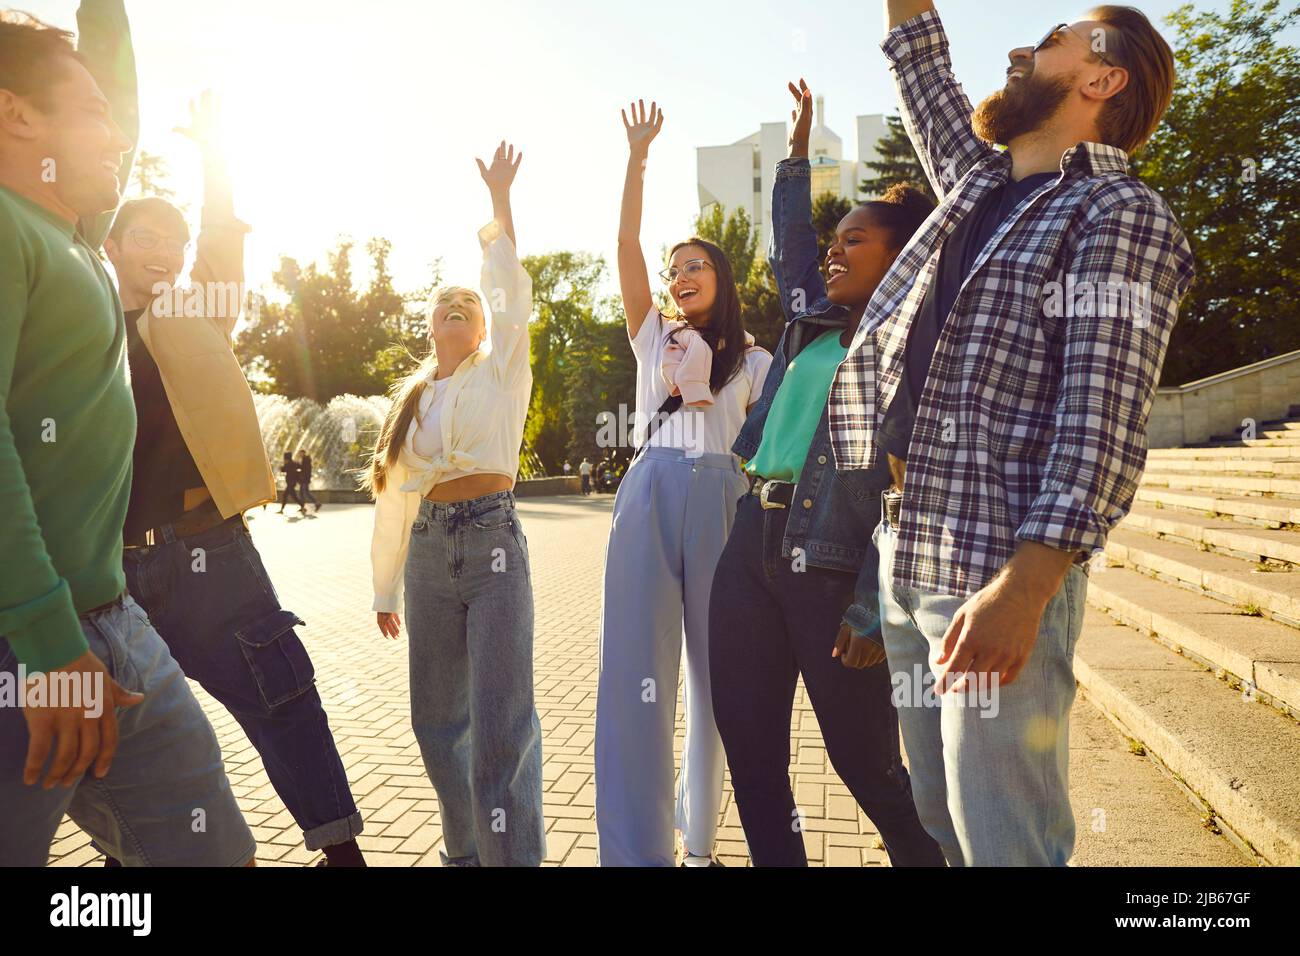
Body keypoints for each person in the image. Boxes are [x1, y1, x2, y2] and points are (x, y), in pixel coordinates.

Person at [827, 1, 1195, 866]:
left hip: (996, 567)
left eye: (1058, 40)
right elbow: (921, 65)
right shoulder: (982, 186)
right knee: (943, 823)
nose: (1027, 47)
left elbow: (1101, 422)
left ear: (1103, 80)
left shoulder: (1118, 213)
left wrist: (1026, 589)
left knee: (1006, 842)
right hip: (908, 549)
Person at [0, 1, 256, 866]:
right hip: (26, 643)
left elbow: (118, 112)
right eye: (93, 114)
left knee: (210, 853)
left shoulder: (69, 232)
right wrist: (45, 646)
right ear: (18, 116)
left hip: (110, 625)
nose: (118, 135)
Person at [102, 92, 364, 866]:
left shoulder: (195, 309)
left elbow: (220, 239)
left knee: (282, 701)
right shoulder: (73, 318)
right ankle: (128, 866)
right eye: (144, 236)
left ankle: (340, 853)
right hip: (108, 569)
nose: (164, 251)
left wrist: (214, 156)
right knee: (126, 736)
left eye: (174, 242)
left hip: (205, 552)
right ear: (110, 244)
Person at [708, 80, 945, 867]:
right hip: (751, 541)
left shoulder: (912, 351)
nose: (834, 252)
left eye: (856, 241)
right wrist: (797, 155)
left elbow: (910, 492)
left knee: (865, 766)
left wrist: (874, 611)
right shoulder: (811, 320)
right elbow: (791, 245)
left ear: (902, 257)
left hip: (833, 565)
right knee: (750, 751)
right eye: (834, 240)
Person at [595, 100, 772, 867]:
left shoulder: (759, 363)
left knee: (715, 673)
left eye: (695, 263)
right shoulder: (655, 343)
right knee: (633, 670)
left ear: (723, 278)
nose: (679, 274)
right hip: (650, 492)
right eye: (675, 269)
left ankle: (698, 835)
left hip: (723, 499)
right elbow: (626, 245)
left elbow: (766, 452)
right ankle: (636, 852)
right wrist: (637, 160)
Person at [366, 141, 545, 867]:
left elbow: (508, 292)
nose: (456, 305)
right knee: (437, 724)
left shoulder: (502, 369)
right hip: (431, 556)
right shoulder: (413, 399)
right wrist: (385, 585)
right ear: (429, 325)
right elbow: (393, 501)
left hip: (494, 542)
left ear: (480, 327)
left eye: (466, 303)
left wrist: (499, 209)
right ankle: (463, 856)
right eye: (443, 302)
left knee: (502, 726)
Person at [277, 450, 303, 514]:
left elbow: (283, 469)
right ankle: (282, 509)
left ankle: (303, 506)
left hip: (290, 483)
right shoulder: (294, 463)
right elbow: (300, 467)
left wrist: (280, 467)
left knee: (291, 496)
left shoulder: (288, 464)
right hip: (292, 483)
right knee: (287, 496)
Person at [296, 449, 321, 513]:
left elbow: (305, 469)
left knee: (305, 493)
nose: (299, 455)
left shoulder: (306, 460)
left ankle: (316, 503)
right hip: (304, 479)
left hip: (305, 479)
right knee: (303, 493)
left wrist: (298, 466)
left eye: (300, 453)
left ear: (303, 453)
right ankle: (303, 507)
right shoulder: (305, 459)